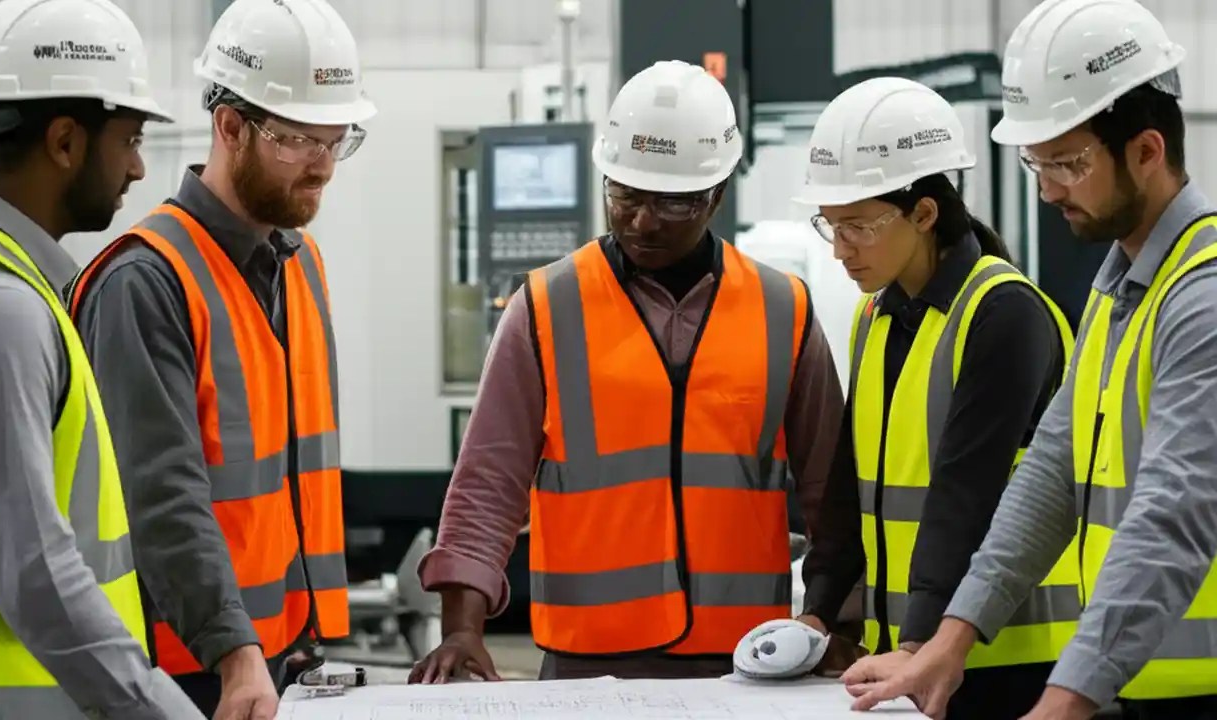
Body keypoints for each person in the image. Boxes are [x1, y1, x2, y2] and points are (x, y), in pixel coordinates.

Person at [409, 59, 848, 684]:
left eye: (670, 203)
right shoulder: (544, 308)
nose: (641, 221)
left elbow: (831, 494)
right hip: (584, 663)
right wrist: (461, 628)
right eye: (625, 194)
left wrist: (835, 620)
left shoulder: (786, 311)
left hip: (745, 665)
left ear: (716, 193)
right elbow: (488, 482)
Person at [845, 1, 1217, 719]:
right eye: (1035, 163)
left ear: (1146, 151)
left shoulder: (1201, 296)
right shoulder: (1119, 289)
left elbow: (1174, 512)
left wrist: (1062, 700)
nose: (1047, 189)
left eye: (1069, 163)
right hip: (1130, 686)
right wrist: (949, 643)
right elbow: (1049, 475)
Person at [65, 0, 376, 717]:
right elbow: (162, 497)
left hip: (282, 658)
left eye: (338, 139)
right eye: (301, 139)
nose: (324, 166)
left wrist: (299, 640)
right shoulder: (144, 282)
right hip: (185, 669)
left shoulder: (300, 264)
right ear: (230, 127)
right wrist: (234, 655)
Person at [777, 76, 1081, 719]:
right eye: (830, 226)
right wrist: (818, 612)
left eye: (858, 226)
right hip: (908, 655)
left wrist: (920, 641)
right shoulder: (878, 315)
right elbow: (845, 481)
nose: (839, 251)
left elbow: (964, 493)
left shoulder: (1004, 314)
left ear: (923, 213)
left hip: (1004, 664)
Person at [0, 1, 206, 718]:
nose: (140, 166)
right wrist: (157, 709)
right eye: (131, 139)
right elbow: (31, 566)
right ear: (64, 141)